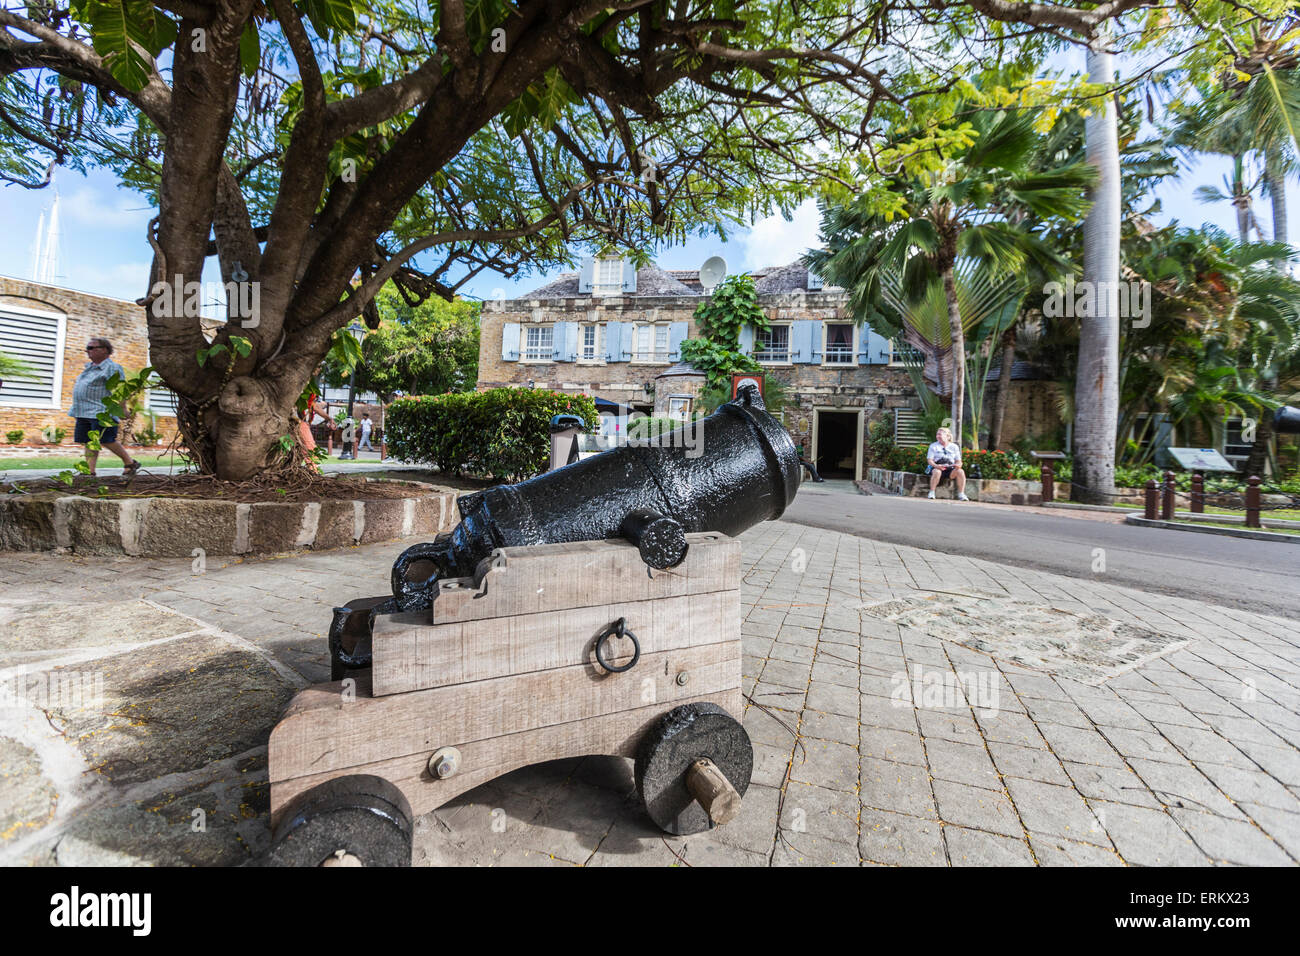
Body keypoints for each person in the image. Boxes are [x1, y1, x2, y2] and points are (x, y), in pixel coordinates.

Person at [68, 338, 141, 477]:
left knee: (106, 439)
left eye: (91, 347)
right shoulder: (89, 367)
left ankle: (130, 463)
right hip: (83, 410)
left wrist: (122, 409)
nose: (88, 350)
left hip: (102, 411)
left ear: (104, 350)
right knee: (89, 441)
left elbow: (120, 390)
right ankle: (89, 471)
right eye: (87, 348)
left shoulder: (112, 367)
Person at [925, 426, 968, 500]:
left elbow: (959, 461)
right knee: (937, 472)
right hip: (937, 467)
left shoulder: (954, 447)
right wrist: (937, 466)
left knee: (960, 471)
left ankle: (961, 494)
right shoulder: (933, 446)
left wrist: (958, 465)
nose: (938, 436)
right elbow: (930, 460)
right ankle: (932, 492)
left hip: (950, 468)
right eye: (937, 434)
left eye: (940, 434)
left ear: (948, 436)